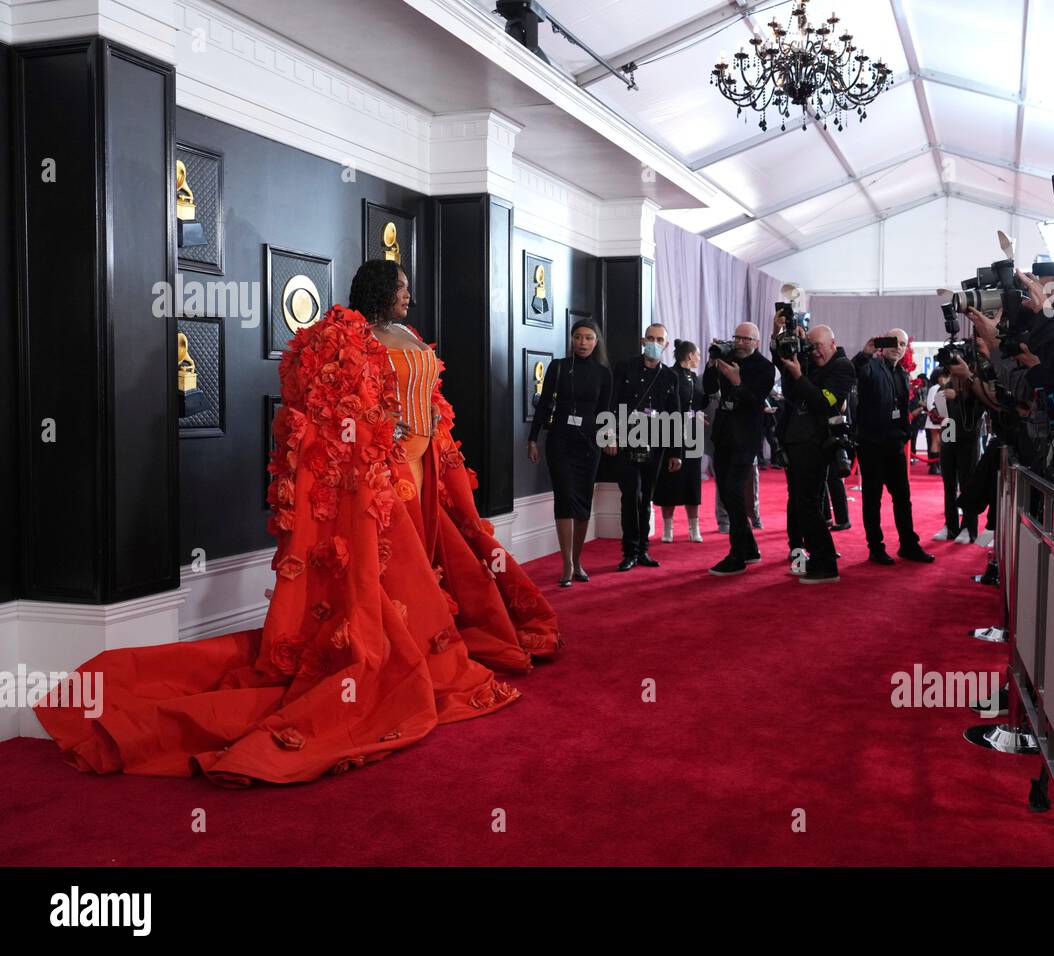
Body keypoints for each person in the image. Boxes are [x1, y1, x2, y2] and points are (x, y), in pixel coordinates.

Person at [36, 260, 560, 787]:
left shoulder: (407, 334)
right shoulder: (337, 337)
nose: (409, 297)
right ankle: (399, 651)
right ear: (381, 290)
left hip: (424, 464)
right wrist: (378, 427)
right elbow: (326, 411)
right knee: (387, 569)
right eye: (402, 289)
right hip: (381, 468)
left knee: (418, 558)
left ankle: (418, 641)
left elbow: (424, 397)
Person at [528, 320, 613, 587]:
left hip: (589, 445)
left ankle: (578, 561)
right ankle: (566, 564)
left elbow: (606, 410)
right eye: (578, 337)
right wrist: (533, 439)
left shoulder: (603, 373)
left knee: (583, 502)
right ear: (572, 339)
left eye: (588, 338)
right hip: (560, 443)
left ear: (596, 341)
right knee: (564, 498)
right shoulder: (559, 367)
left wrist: (609, 437)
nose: (583, 343)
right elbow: (543, 405)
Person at [776, 325, 856, 583]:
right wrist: (781, 334)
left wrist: (800, 376)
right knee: (802, 504)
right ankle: (818, 558)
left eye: (818, 346)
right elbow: (790, 394)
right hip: (796, 441)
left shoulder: (843, 367)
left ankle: (826, 564)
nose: (814, 352)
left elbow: (822, 403)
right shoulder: (810, 364)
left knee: (807, 504)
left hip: (816, 444)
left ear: (833, 343)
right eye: (811, 347)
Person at [854, 329, 935, 565]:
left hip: (895, 445)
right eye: (892, 342)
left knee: (903, 498)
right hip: (871, 445)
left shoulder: (902, 374)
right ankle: (875, 548)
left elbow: (902, 408)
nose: (897, 347)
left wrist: (905, 435)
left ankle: (908, 545)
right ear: (881, 343)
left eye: (901, 344)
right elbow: (855, 372)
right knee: (873, 499)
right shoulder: (871, 366)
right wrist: (864, 355)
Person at [704, 322, 775, 576]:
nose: (740, 343)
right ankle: (750, 548)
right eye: (737, 338)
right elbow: (709, 389)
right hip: (722, 435)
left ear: (756, 341)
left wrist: (737, 381)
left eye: (746, 339)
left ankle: (737, 555)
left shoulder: (765, 367)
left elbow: (756, 401)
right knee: (726, 492)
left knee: (734, 492)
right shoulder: (727, 356)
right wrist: (711, 364)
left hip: (746, 438)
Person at [610, 323, 682, 571]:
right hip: (626, 439)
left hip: (657, 444)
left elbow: (676, 415)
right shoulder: (624, 367)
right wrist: (611, 435)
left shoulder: (670, 376)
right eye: (650, 338)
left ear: (666, 344)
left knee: (646, 497)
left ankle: (643, 550)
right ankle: (629, 551)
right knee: (631, 495)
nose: (654, 342)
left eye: (659, 339)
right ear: (642, 341)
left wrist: (676, 452)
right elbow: (612, 403)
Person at [656, 340, 707, 543]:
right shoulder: (669, 375)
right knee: (669, 481)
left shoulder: (694, 377)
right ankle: (668, 528)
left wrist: (698, 415)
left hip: (693, 434)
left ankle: (694, 527)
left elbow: (699, 402)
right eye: (698, 354)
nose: (700, 358)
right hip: (671, 432)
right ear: (689, 356)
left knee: (692, 481)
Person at [932, 366, 982, 543]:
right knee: (948, 484)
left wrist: (959, 397)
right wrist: (935, 414)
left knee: (967, 484)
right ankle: (950, 526)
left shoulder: (973, 386)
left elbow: (976, 413)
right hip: (948, 435)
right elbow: (936, 412)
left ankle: (969, 527)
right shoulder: (943, 387)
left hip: (968, 439)